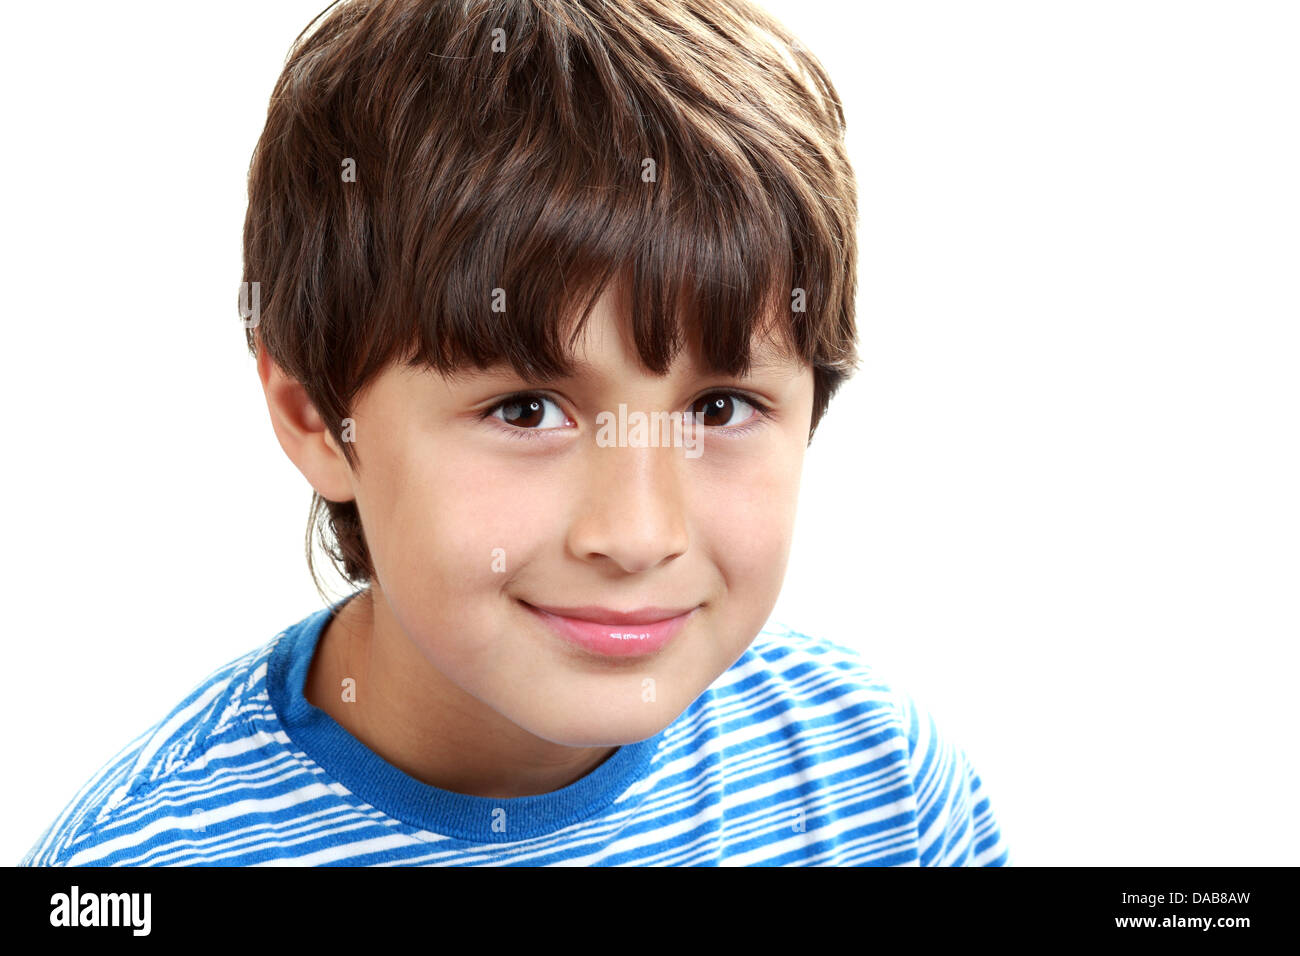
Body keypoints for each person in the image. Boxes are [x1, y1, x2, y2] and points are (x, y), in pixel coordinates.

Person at [21, 0, 1009, 866]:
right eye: (526, 409)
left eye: (717, 408)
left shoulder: (884, 790)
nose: (635, 533)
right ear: (316, 413)